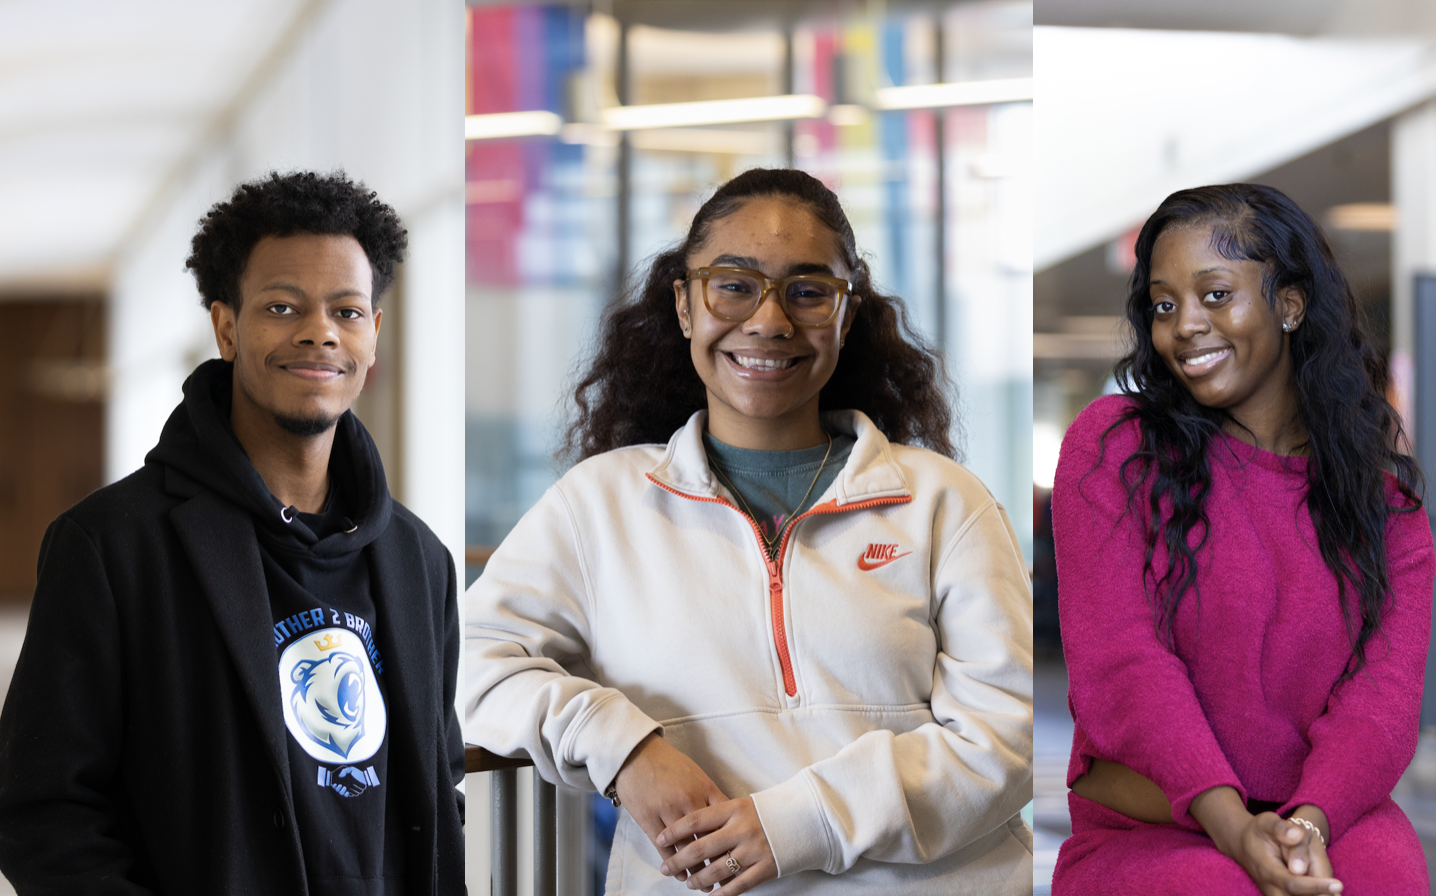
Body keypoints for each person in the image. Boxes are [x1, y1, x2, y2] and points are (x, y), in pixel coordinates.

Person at [465, 167, 1033, 895]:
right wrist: (624, 746)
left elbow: (1004, 738)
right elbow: (473, 662)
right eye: (733, 284)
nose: (769, 321)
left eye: (808, 291)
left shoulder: (942, 502)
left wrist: (798, 823)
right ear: (685, 305)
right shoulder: (600, 503)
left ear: (846, 313)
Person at [0, 171, 465, 894]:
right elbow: (42, 811)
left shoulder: (419, 561)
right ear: (226, 327)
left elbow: (437, 786)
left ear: (373, 335)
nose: (319, 331)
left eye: (346, 310)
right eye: (283, 306)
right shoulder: (113, 546)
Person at [1051, 183, 1433, 895]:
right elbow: (1122, 665)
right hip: (1153, 826)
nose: (1184, 326)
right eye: (1164, 305)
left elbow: (1379, 704)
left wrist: (1306, 827)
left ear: (1288, 304)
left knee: (1388, 878)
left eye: (1215, 294)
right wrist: (1233, 824)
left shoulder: (1388, 508)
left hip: (1327, 814)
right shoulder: (1114, 450)